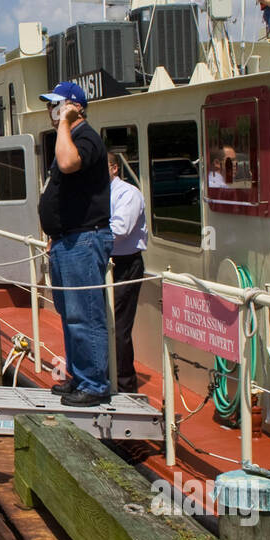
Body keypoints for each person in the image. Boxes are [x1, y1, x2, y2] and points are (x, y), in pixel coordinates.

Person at [37, 81, 114, 407]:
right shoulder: (70, 136)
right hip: (67, 241)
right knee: (71, 315)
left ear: (74, 106)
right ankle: (80, 377)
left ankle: (94, 384)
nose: (50, 111)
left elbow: (69, 163)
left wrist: (66, 123)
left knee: (86, 315)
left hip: (84, 239)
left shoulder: (85, 137)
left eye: (57, 105)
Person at [108, 153, 148, 394]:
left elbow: (120, 229)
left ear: (114, 168)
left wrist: (88, 236)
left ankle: (125, 385)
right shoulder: (96, 193)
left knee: (119, 325)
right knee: (102, 323)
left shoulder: (128, 193)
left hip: (125, 264)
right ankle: (106, 376)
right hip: (104, 261)